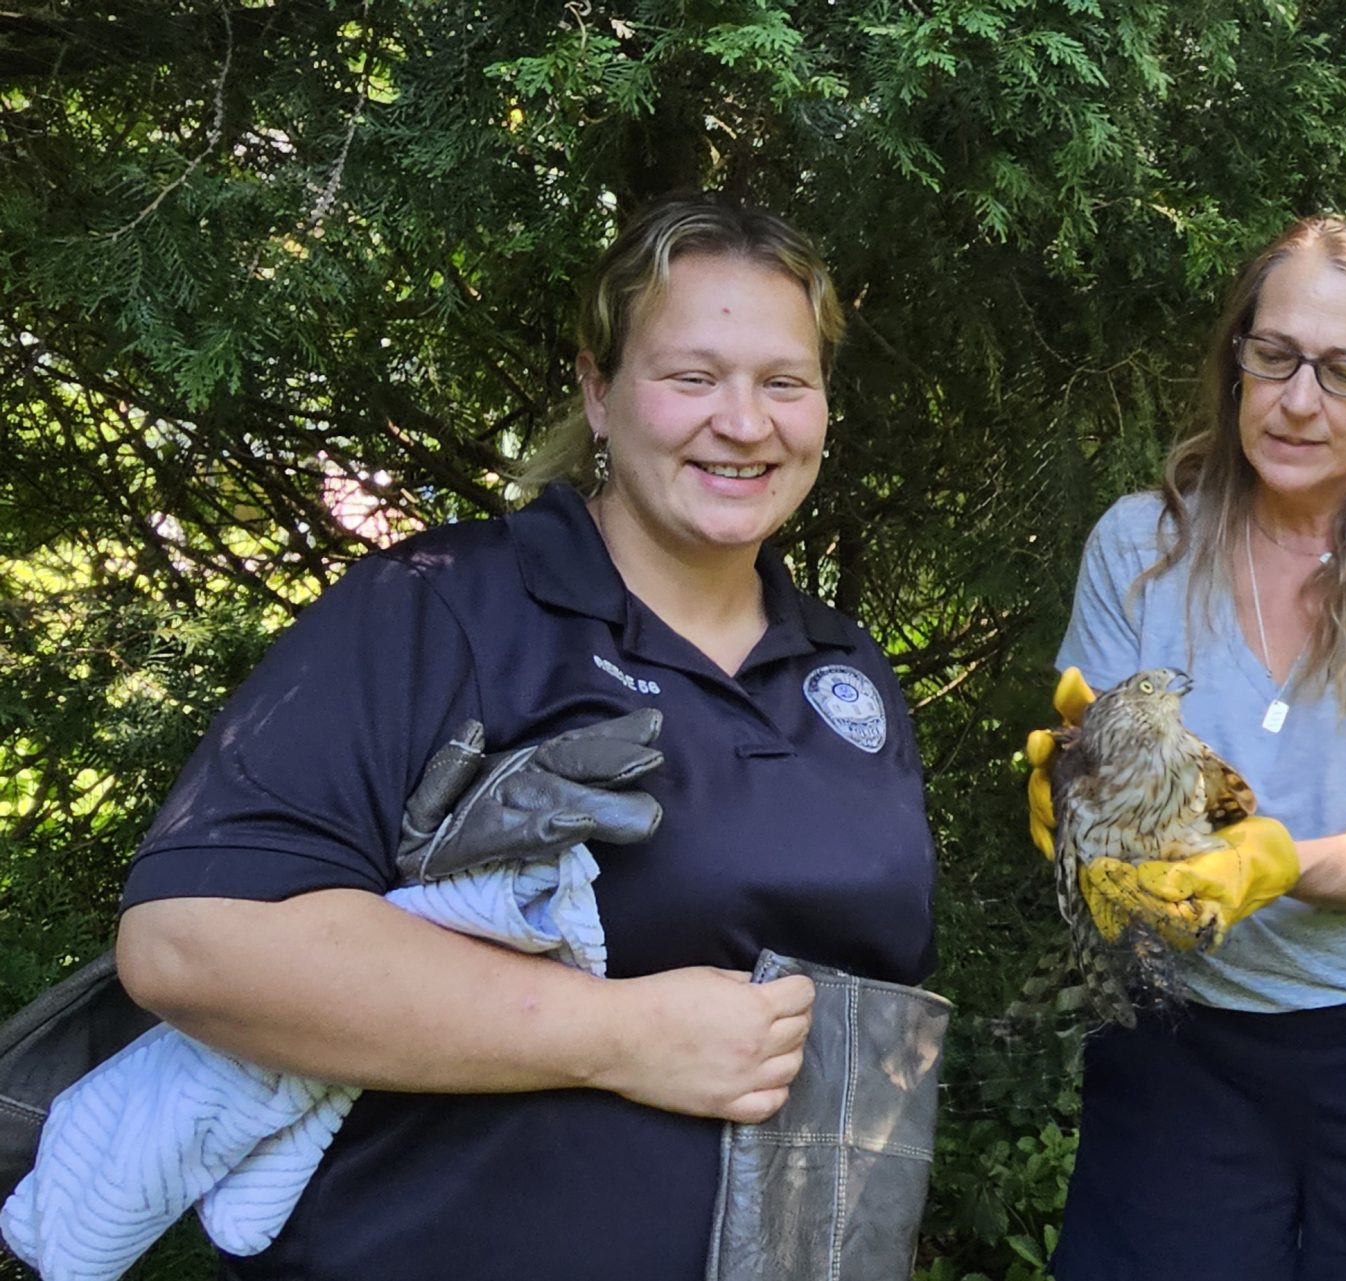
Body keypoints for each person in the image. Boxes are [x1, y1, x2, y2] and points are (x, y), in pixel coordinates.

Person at [107, 192, 937, 1281]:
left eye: (784, 382)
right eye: (691, 377)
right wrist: (617, 1036)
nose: (744, 422)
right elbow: (191, 943)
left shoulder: (847, 671)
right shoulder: (443, 608)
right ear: (599, 392)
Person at [1026, 215, 1346, 1281]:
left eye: (1345, 372)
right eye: (1275, 357)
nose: (1300, 400)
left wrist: (1269, 862)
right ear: (1236, 362)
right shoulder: (1136, 545)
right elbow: (1110, 795)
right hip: (1178, 1041)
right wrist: (1080, 814)